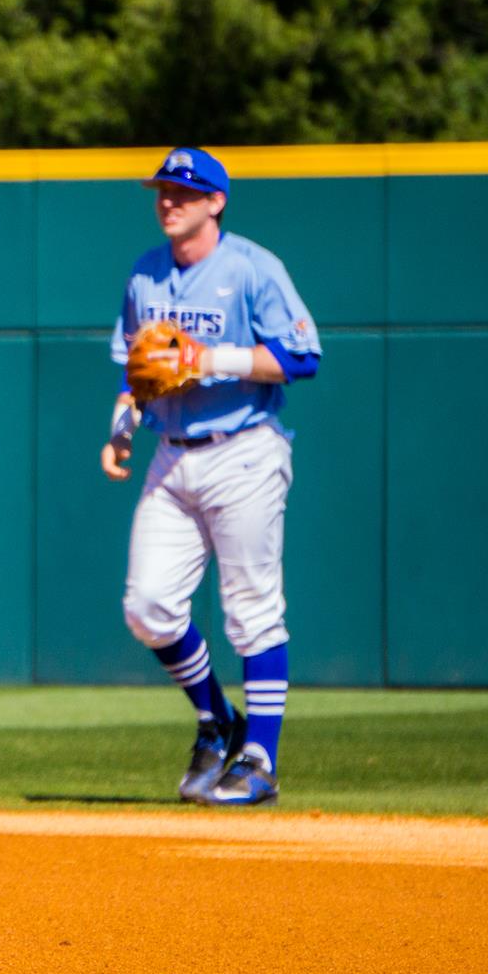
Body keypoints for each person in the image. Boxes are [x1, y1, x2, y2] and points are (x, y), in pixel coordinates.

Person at [100, 147, 322, 807]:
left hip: (244, 448)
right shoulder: (146, 273)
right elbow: (135, 368)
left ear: (215, 202)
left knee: (252, 608)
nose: (168, 201)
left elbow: (303, 355)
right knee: (147, 607)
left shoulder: (253, 267)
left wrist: (209, 358)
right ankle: (216, 718)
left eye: (183, 192)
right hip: (170, 449)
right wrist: (119, 430)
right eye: (163, 191)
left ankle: (260, 758)